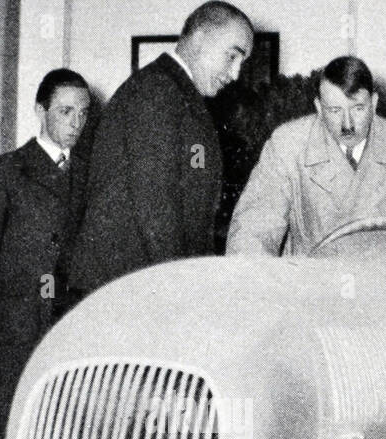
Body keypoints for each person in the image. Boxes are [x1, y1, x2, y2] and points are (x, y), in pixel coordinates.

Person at [66, 1, 252, 298]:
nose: (235, 74)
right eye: (232, 57)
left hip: (140, 283)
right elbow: (156, 203)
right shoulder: (157, 92)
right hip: (125, 289)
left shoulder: (176, 93)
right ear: (199, 38)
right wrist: (180, 292)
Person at [0, 68, 91, 439]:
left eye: (83, 113)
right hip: (17, 331)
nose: (76, 123)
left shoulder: (88, 177)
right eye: (65, 111)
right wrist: (3, 321)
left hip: (70, 328)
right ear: (40, 110)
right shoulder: (3, 171)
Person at [227, 55, 386, 255]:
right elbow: (253, 229)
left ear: (374, 103)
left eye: (357, 109)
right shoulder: (289, 145)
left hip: (384, 292)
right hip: (312, 291)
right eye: (334, 110)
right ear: (319, 107)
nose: (347, 125)